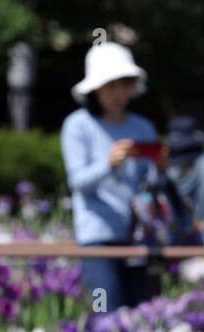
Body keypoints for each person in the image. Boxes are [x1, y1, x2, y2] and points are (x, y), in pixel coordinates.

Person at [60, 42, 166, 312]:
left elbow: (150, 186)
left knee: (142, 316)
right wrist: (108, 163)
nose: (119, 93)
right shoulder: (77, 125)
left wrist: (161, 167)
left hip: (138, 236)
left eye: (125, 83)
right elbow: (78, 182)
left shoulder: (142, 127)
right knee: (104, 316)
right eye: (111, 85)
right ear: (95, 88)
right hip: (96, 238)